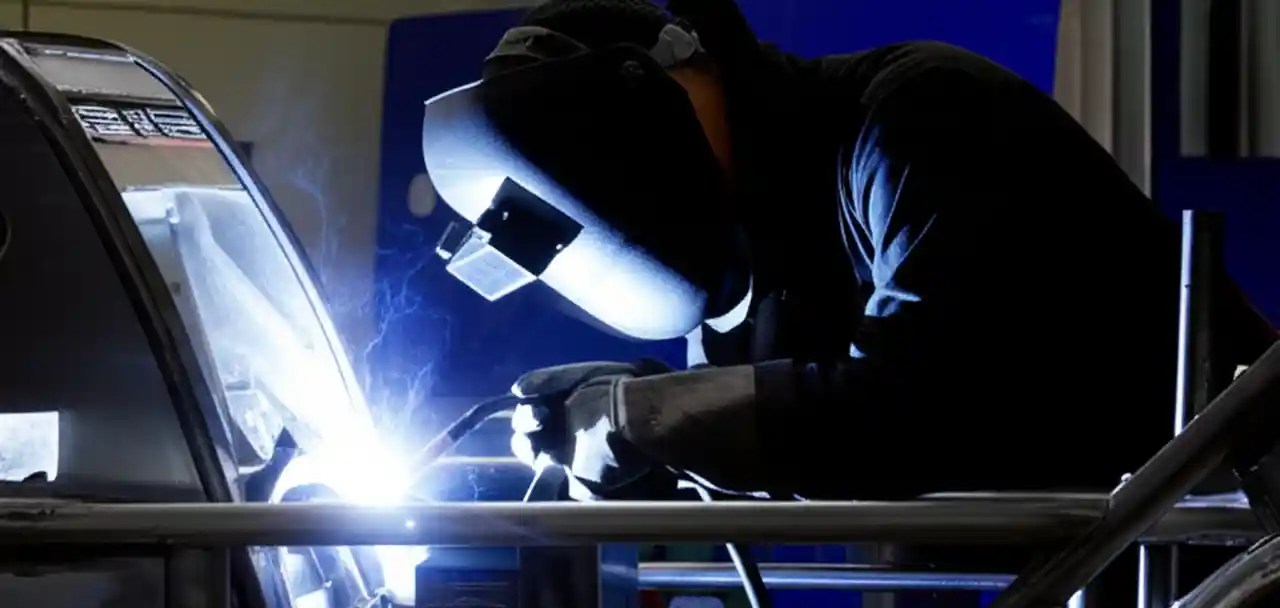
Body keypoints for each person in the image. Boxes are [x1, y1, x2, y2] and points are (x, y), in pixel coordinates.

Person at [420, 0, 1208, 501]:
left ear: (658, 96)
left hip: (1216, 546)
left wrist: (653, 416)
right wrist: (649, 433)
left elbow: (921, 406)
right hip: (1073, 579)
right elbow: (792, 431)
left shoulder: (919, 117)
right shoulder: (749, 257)